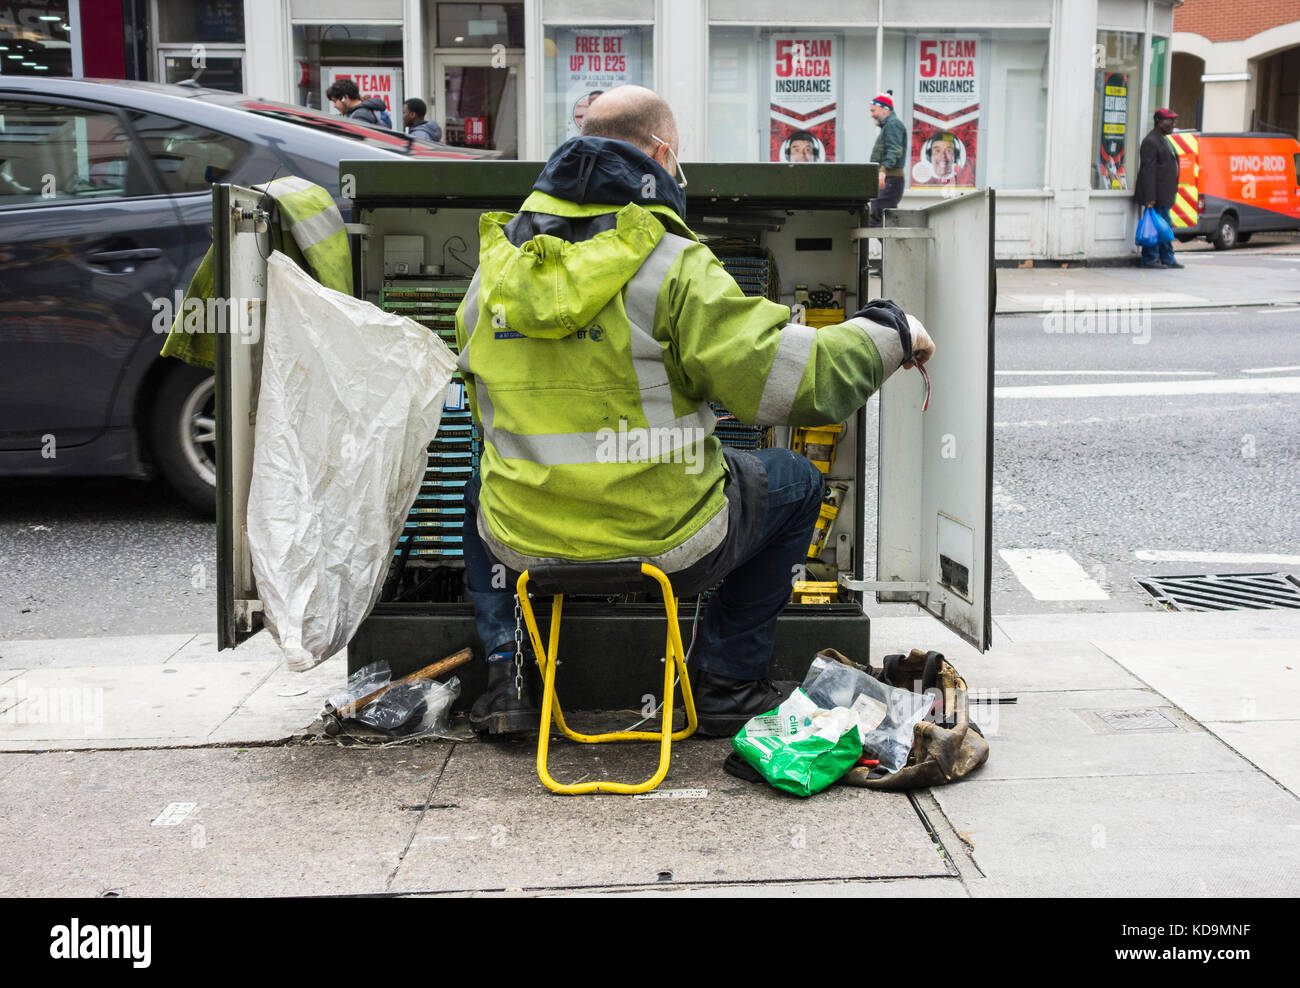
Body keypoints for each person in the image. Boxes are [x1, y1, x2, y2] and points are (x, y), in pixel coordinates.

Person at [455, 84, 934, 737]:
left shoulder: (494, 273)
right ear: (661, 153)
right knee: (795, 483)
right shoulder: (672, 263)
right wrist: (891, 331)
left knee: (479, 480)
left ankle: (509, 681)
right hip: (669, 541)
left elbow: (486, 411)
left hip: (526, 545)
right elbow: (793, 385)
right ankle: (725, 683)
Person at [1135, 108, 1183, 269]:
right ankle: (1150, 259)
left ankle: (1167, 257)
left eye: (1174, 121)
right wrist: (1150, 198)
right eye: (1170, 121)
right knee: (1156, 229)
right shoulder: (1151, 141)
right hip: (1156, 196)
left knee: (1164, 228)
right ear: (1159, 122)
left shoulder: (1163, 139)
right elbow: (1148, 171)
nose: (1173, 124)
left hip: (1164, 195)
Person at [868, 91, 907, 227]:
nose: (872, 114)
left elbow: (894, 149)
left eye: (874, 110)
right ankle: (894, 247)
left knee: (877, 218)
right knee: (883, 220)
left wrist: (883, 171)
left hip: (890, 179)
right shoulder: (891, 125)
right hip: (889, 180)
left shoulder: (893, 125)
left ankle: (895, 248)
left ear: (885, 109)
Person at [325, 78, 392, 129]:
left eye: (335, 101)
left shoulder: (360, 116)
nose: (334, 106)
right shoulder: (361, 112)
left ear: (345, 97)